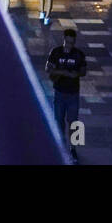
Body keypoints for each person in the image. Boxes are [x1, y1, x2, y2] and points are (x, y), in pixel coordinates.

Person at [45, 28, 88, 163]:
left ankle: (74, 149)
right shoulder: (56, 52)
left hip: (73, 94)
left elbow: (83, 70)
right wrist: (64, 73)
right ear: (64, 40)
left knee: (74, 123)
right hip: (59, 93)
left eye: (72, 43)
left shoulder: (78, 54)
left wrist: (77, 73)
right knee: (58, 122)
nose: (69, 45)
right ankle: (60, 146)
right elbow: (48, 69)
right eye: (68, 42)